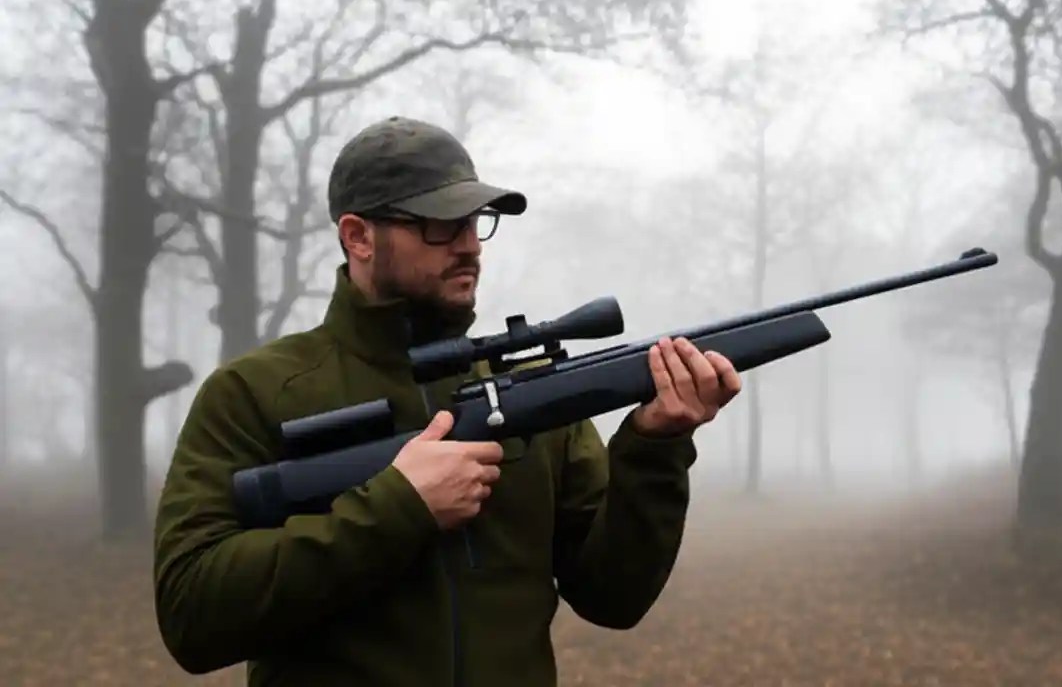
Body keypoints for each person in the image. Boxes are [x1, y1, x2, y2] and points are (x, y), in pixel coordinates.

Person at [152, 116, 742, 686]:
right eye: (439, 224)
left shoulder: (535, 403)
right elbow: (192, 614)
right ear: (358, 237)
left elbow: (614, 598)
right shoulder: (253, 392)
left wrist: (655, 446)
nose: (468, 246)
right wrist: (400, 506)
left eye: (475, 221)